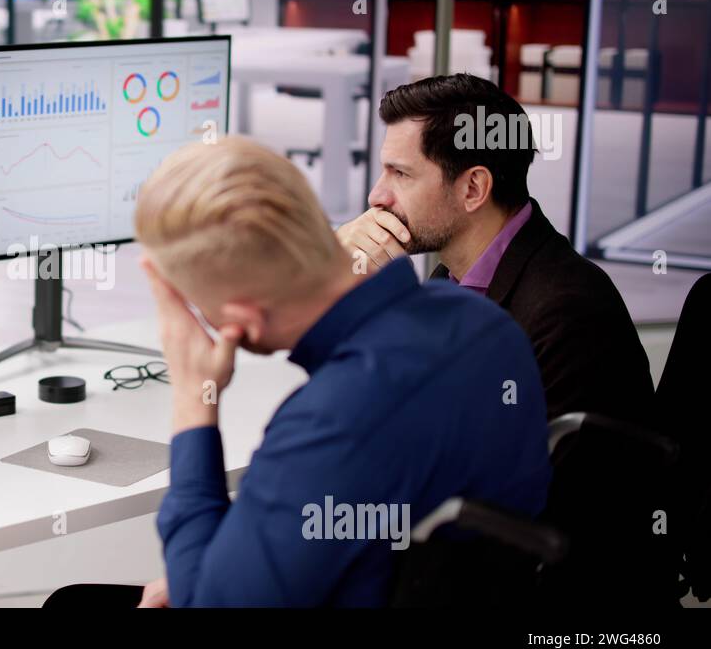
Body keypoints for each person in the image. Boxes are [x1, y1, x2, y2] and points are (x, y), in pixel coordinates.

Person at [46, 136, 550, 608]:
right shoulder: (483, 321)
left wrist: (192, 402)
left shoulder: (331, 422)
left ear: (240, 323)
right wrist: (220, 567)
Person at [335, 74, 653, 425]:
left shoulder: (568, 315)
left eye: (401, 174)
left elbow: (462, 456)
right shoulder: (452, 281)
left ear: (473, 188)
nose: (376, 196)